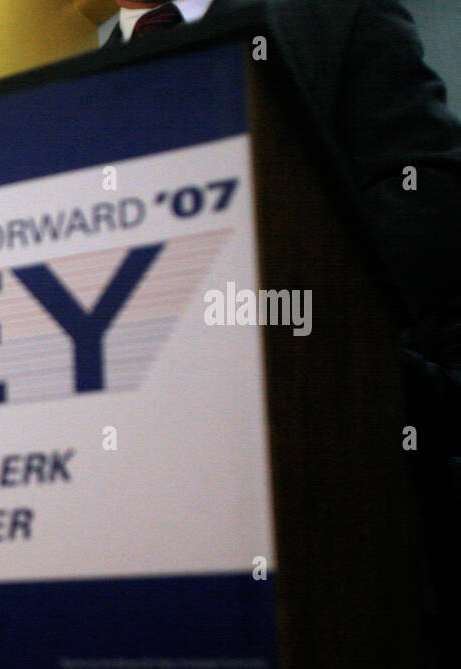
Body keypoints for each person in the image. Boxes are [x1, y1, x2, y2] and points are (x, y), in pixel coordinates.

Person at [109, 0, 461, 624]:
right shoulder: (69, 92)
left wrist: (300, 327)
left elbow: (425, 187)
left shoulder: (332, 13)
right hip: (163, 505)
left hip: (352, 480)